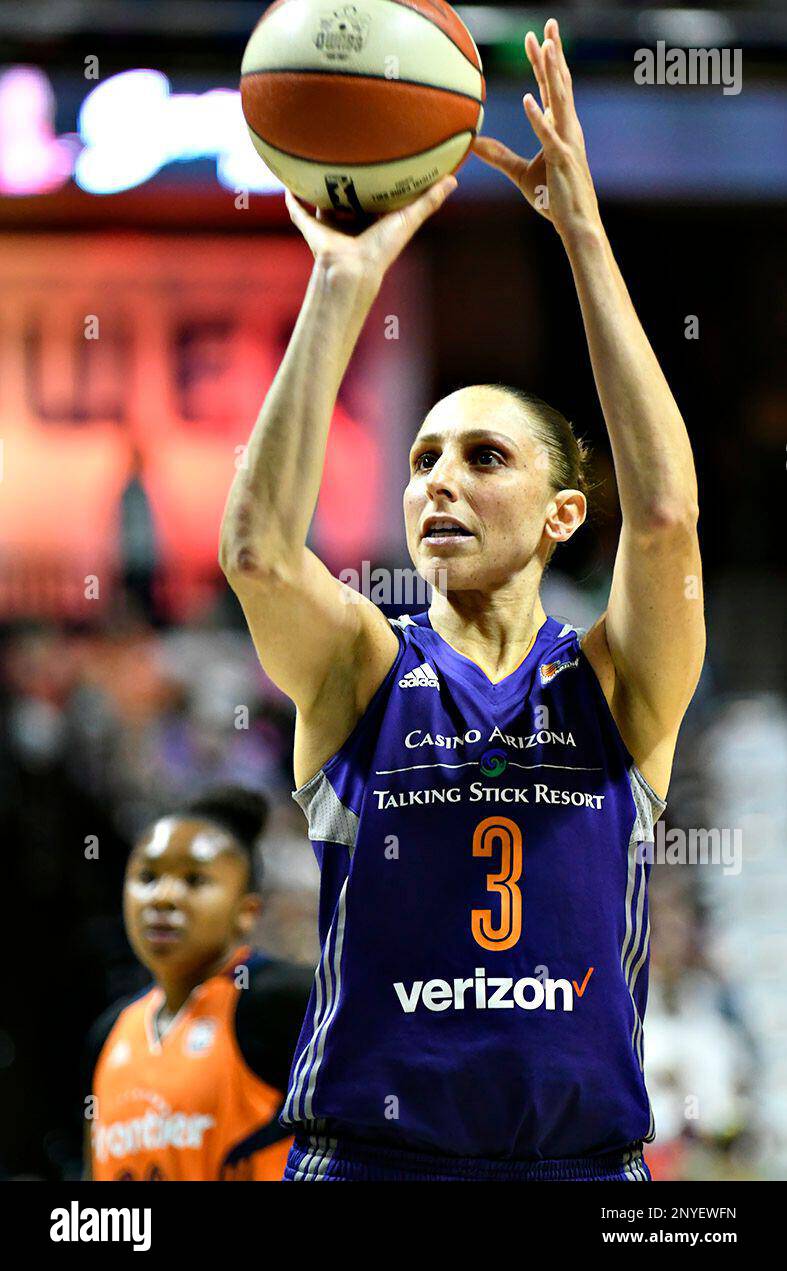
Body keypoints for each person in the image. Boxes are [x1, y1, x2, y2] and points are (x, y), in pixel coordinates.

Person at [219, 19, 705, 1182]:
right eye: (423, 457)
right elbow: (255, 550)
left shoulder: (614, 683)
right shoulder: (364, 669)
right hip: (372, 1159)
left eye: (484, 457)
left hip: (581, 1168)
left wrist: (581, 235)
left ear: (561, 514)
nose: (436, 478)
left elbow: (671, 518)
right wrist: (341, 280)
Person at [83, 786, 312, 1180]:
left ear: (247, 911)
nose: (163, 898)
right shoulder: (108, 1033)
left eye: (193, 880)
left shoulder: (284, 1001)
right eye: (147, 877)